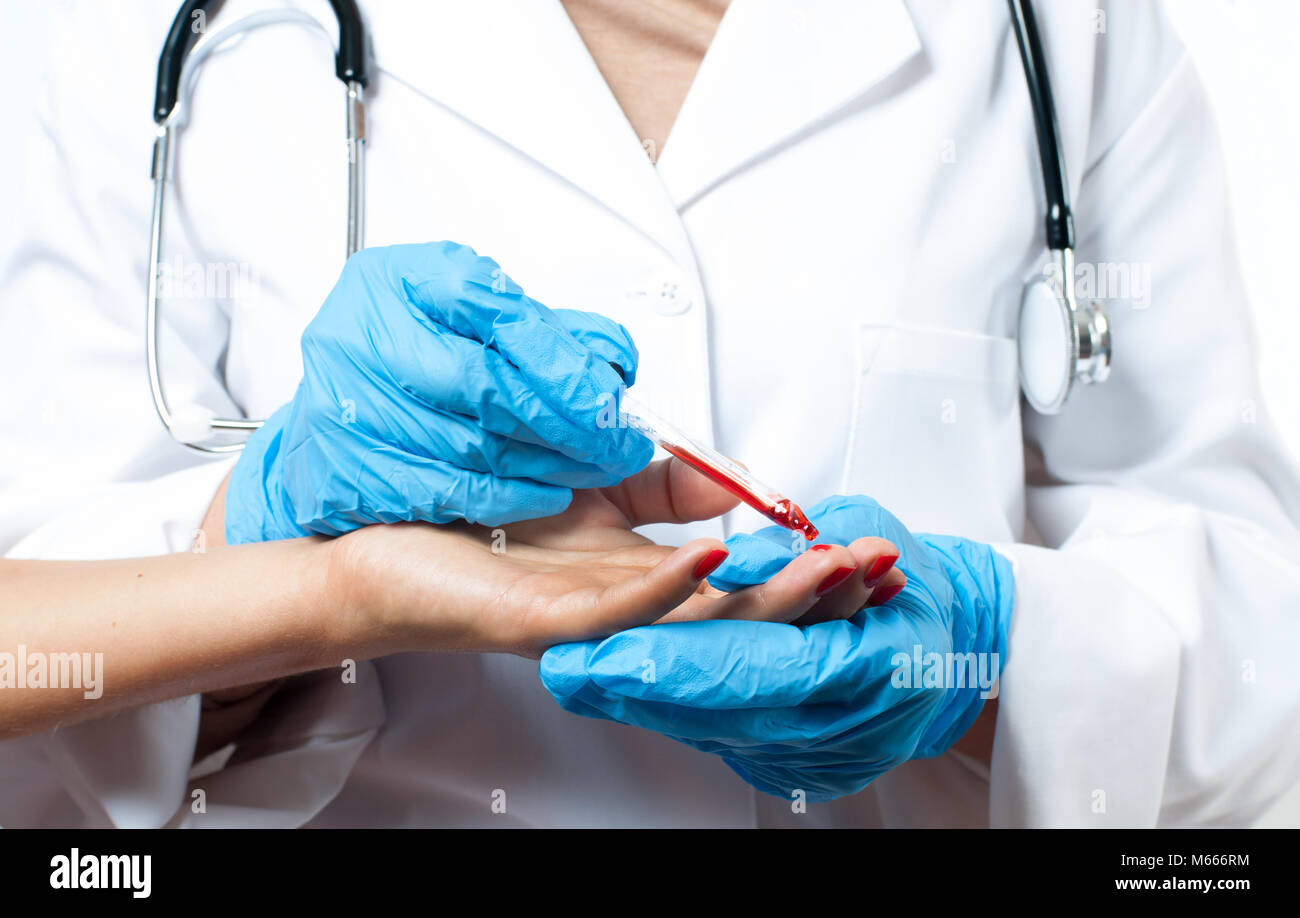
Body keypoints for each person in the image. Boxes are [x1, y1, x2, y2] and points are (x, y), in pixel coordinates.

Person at [1, 0, 1298, 828]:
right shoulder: (147, 33)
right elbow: (43, 699)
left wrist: (988, 660)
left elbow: (1260, 660)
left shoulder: (1062, 34)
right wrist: (266, 536)